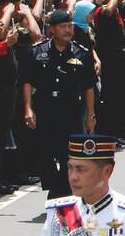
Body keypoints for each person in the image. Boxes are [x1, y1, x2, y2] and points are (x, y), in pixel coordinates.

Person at [19, 10, 98, 197]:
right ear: (52, 29)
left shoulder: (81, 53)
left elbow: (89, 87)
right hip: (45, 109)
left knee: (68, 154)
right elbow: (27, 81)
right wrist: (28, 108)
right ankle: (55, 186)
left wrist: (91, 115)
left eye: (70, 26)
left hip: (70, 109)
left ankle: (60, 191)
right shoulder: (38, 52)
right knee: (45, 152)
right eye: (63, 27)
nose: (68, 30)